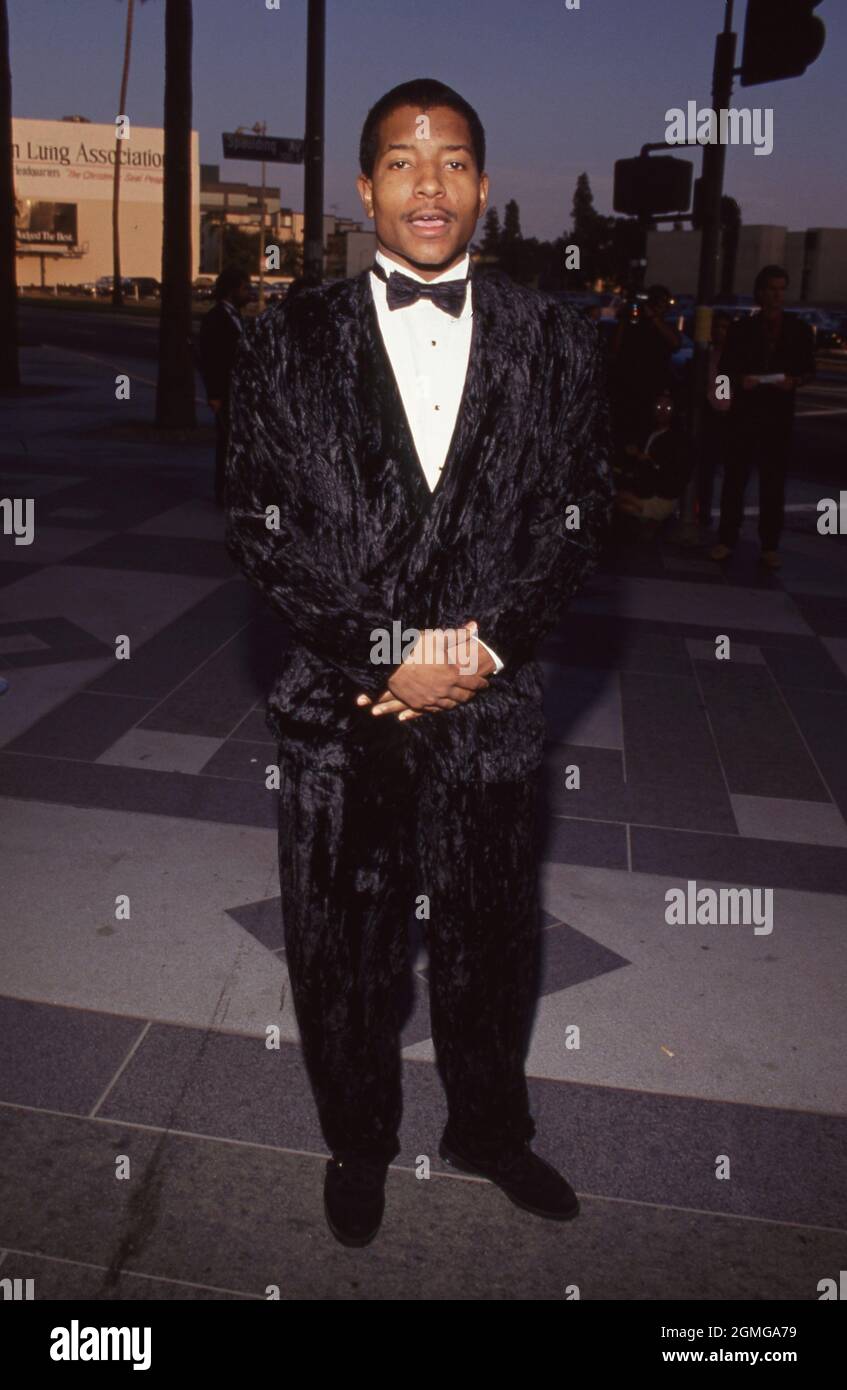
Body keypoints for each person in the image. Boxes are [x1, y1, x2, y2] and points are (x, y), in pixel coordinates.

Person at [225, 78, 612, 1248]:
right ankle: (358, 1136)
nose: (427, 183)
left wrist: (484, 648)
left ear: (485, 188)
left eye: (450, 162)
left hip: (489, 708)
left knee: (491, 942)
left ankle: (490, 1130)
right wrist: (390, 655)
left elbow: (582, 514)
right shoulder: (287, 338)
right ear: (364, 186)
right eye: (402, 160)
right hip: (347, 710)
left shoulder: (555, 335)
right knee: (344, 949)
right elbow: (255, 520)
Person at [710, 265, 815, 569]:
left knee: (773, 483)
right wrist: (739, 380)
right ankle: (727, 538)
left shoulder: (797, 329)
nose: (777, 295)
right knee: (735, 479)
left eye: (781, 289)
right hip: (745, 415)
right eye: (771, 289)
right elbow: (725, 369)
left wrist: (793, 382)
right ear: (760, 292)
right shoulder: (742, 329)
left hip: (778, 416)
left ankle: (770, 544)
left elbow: (808, 370)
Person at [197, 267, 252, 507]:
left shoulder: (236, 317)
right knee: (227, 443)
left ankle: (235, 487)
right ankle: (224, 490)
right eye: (244, 288)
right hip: (226, 392)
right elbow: (211, 360)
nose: (247, 293)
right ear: (232, 290)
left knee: (238, 442)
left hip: (240, 391)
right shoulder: (215, 319)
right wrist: (215, 394)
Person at [609, 283, 681, 452]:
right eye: (658, 304)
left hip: (653, 388)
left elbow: (675, 343)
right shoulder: (634, 324)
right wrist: (624, 319)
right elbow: (614, 349)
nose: (661, 309)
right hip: (629, 388)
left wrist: (653, 318)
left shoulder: (664, 327)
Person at [614, 390, 692, 537]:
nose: (662, 412)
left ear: (674, 411)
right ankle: (648, 520)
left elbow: (674, 472)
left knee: (621, 500)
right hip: (647, 490)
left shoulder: (678, 439)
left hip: (663, 497)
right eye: (658, 407)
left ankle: (653, 520)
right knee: (617, 496)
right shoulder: (650, 432)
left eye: (667, 408)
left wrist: (647, 460)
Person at [698, 309, 732, 528]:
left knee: (729, 471)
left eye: (724, 327)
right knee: (706, 468)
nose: (720, 332)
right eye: (716, 327)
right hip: (711, 414)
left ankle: (726, 519)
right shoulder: (707, 356)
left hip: (728, 416)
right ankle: (703, 512)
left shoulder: (734, 357)